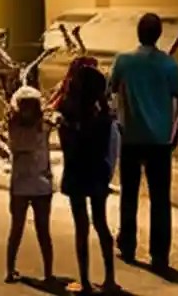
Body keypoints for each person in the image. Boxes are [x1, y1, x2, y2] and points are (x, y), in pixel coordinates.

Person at [110, 12, 178, 272]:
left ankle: (128, 246)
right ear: (159, 34)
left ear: (138, 33)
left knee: (128, 194)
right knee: (160, 199)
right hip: (159, 141)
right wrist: (173, 137)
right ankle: (160, 254)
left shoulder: (123, 61)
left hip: (130, 136)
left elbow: (110, 92)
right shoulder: (169, 65)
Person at [58, 63, 120, 293]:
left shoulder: (67, 118)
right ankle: (110, 279)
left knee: (81, 227)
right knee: (101, 224)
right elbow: (109, 149)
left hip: (75, 173)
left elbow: (66, 147)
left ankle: (84, 282)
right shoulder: (104, 119)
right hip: (96, 174)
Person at [4, 85, 55, 284]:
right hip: (41, 183)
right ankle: (48, 273)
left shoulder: (13, 127)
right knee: (43, 230)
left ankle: (10, 270)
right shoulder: (44, 126)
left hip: (20, 183)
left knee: (16, 228)